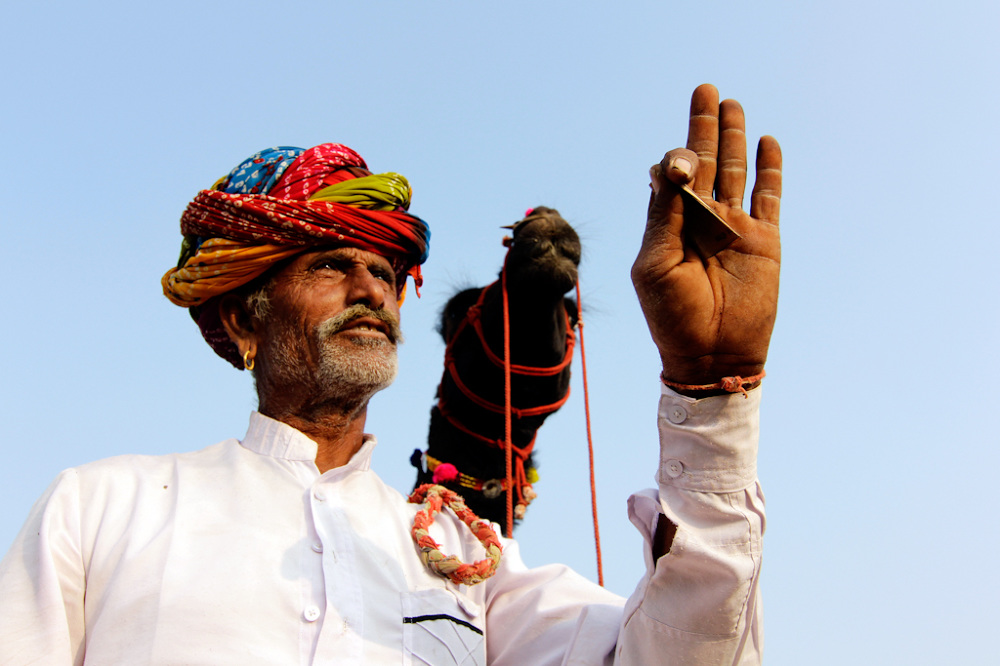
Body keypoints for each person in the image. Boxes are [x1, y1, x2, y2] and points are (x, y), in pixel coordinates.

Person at [0, 84, 781, 665]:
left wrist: (710, 389)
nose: (371, 289)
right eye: (331, 264)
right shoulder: (102, 510)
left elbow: (678, 654)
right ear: (242, 319)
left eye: (384, 271)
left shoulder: (469, 561)